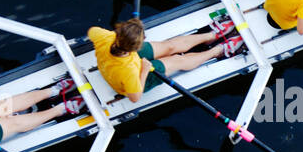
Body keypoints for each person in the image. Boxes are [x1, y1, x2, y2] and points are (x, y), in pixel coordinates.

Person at [87, 17, 238, 103]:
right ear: (133, 48)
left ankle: (210, 36)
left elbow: (92, 31)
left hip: (122, 56)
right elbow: (135, 97)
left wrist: (128, 35)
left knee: (169, 46)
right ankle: (216, 51)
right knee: (176, 60)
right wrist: (144, 71)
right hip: (135, 77)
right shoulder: (129, 74)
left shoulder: (105, 37)